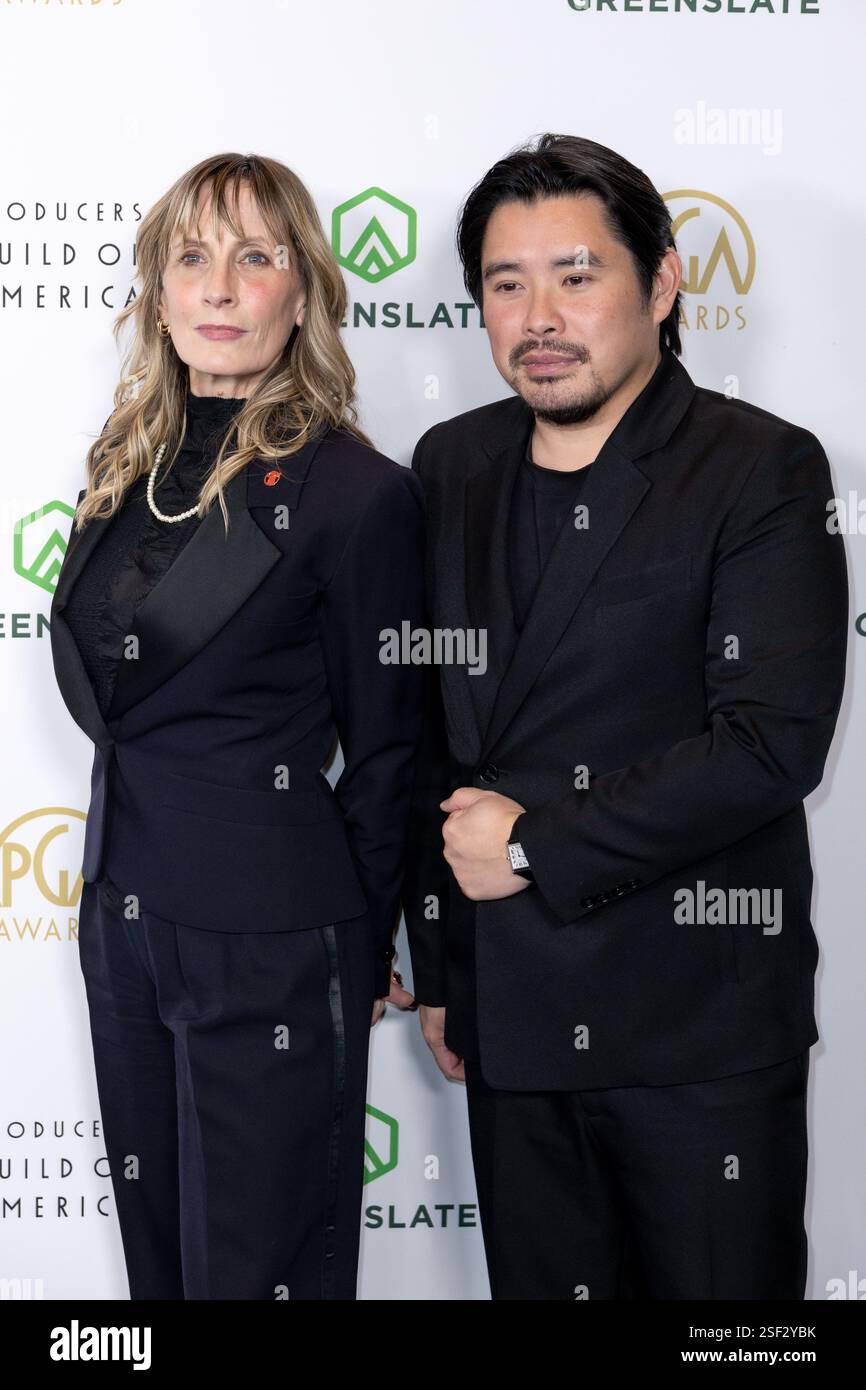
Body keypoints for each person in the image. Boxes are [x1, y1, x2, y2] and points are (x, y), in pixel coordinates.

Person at [401, 133, 848, 1299]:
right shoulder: (449, 465)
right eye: (505, 284)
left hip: (693, 1031)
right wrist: (446, 967)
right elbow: (436, 736)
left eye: (575, 275)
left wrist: (536, 846)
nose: (536, 315)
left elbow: (767, 745)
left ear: (659, 284)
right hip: (514, 1019)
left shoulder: (760, 468)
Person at [50, 152, 424, 1300]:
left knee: (259, 1271)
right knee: (159, 1271)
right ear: (158, 293)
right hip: (122, 919)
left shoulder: (352, 491)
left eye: (255, 256)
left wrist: (354, 941)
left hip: (269, 933)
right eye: (191, 257)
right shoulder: (122, 472)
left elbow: (393, 743)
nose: (219, 287)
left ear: (301, 291)